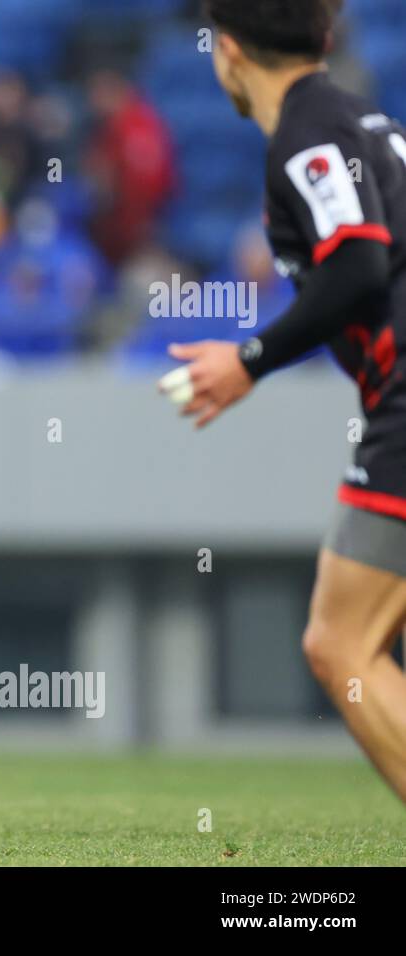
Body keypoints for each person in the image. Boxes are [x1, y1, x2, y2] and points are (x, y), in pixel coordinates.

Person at [168, 0, 406, 803]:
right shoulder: (364, 122)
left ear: (226, 52)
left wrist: (249, 360)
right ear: (325, 36)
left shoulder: (309, 134)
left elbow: (360, 263)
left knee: (341, 643)